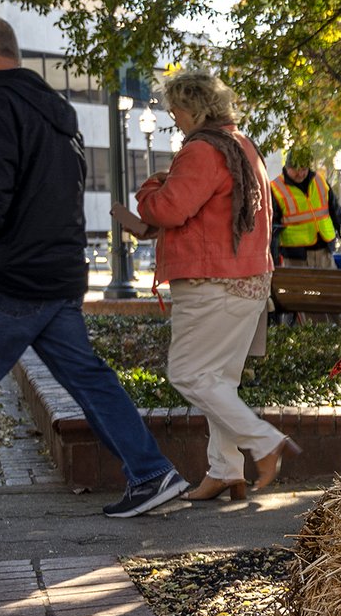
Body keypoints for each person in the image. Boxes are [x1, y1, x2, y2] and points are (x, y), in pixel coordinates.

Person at [0, 14, 187, 527]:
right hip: (55, 272)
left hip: (4, 276)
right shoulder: (55, 112)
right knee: (88, 378)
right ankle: (151, 472)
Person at [115, 71, 301, 500]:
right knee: (218, 379)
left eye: (176, 107)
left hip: (211, 283)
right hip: (250, 279)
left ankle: (265, 442)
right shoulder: (243, 146)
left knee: (187, 373)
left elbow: (168, 210)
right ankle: (226, 470)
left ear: (195, 107)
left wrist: (151, 187)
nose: (172, 115)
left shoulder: (201, 150)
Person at [266, 149, 341, 268]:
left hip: (324, 252)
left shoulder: (320, 181)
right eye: (296, 169)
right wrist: (274, 257)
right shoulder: (275, 188)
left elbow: (336, 214)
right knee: (298, 287)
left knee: (330, 286)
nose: (300, 173)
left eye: (304, 169)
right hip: (295, 257)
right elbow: (271, 226)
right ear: (287, 167)